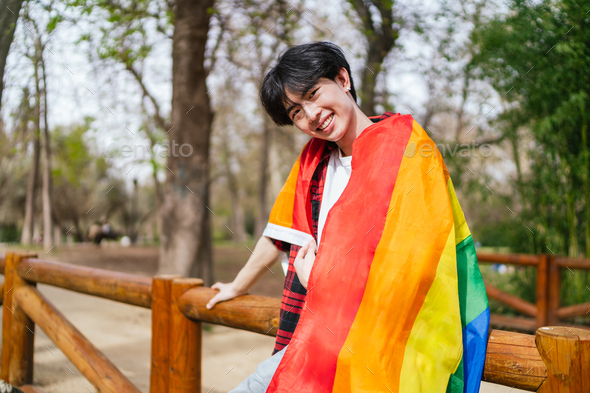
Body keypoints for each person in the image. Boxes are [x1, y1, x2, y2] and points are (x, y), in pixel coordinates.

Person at [208, 41, 490, 393]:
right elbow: (282, 232)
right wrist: (236, 286)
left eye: (313, 94)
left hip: (381, 344)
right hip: (318, 337)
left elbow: (416, 262)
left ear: (342, 79)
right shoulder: (313, 162)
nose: (310, 114)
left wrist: (320, 281)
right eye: (295, 112)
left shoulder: (405, 149)